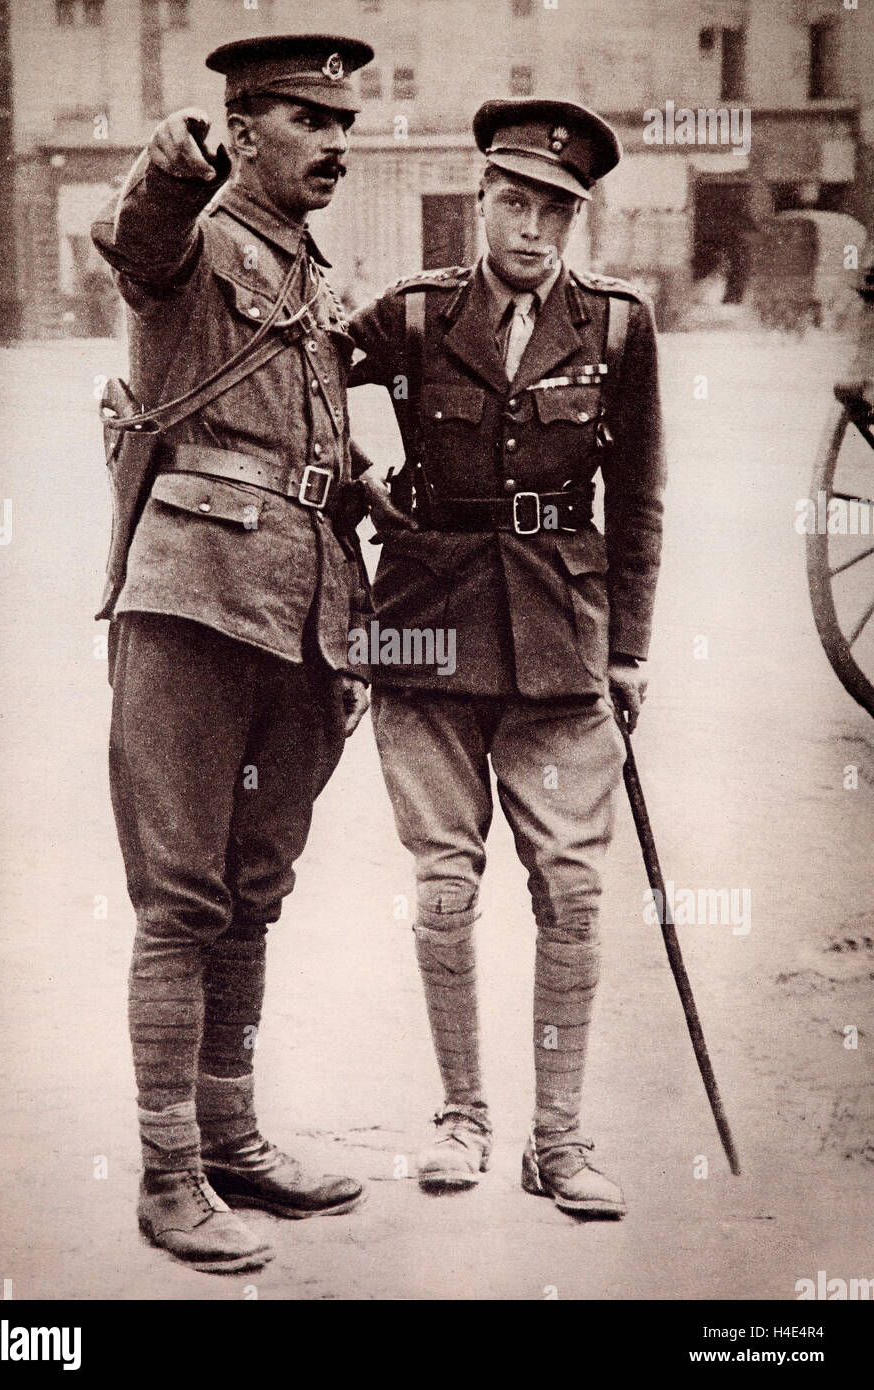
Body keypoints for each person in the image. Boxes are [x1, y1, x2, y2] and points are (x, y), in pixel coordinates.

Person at [349, 99, 666, 1219]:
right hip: (423, 631)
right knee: (442, 889)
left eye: (556, 210)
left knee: (572, 895)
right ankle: (461, 1117)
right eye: (514, 201)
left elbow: (636, 503)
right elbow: (298, 390)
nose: (532, 229)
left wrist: (626, 652)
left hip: (561, 641)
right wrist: (353, 484)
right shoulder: (411, 315)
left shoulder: (620, 328)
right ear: (478, 197)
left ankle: (558, 1140)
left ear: (577, 217)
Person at [91, 33, 375, 1273]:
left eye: (343, 125)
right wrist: (171, 163)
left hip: (303, 613)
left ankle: (230, 1138)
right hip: (195, 600)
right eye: (309, 120)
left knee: (254, 890)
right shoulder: (197, 238)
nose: (334, 145)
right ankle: (164, 1174)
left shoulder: (311, 277)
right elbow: (135, 239)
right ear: (243, 128)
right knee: (183, 896)